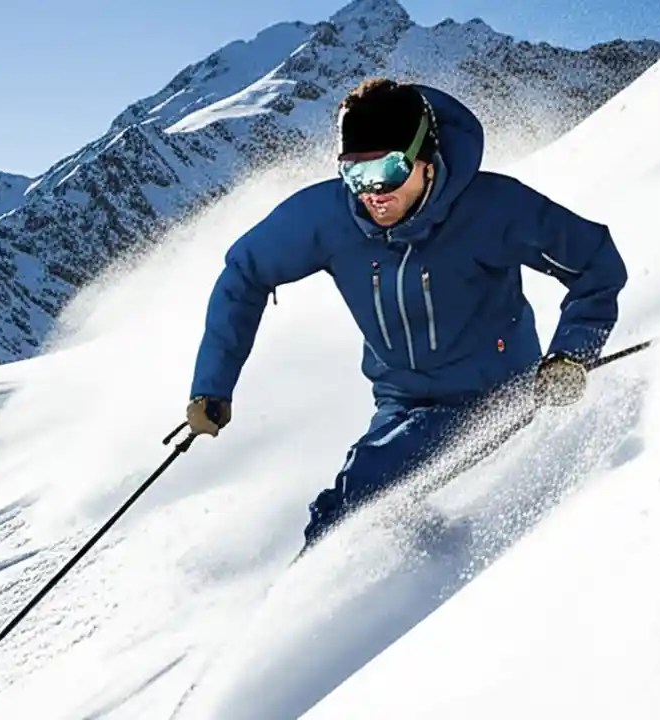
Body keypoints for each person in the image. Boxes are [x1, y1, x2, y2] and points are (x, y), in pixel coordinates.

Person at [185, 78, 628, 550]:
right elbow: (244, 275)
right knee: (370, 510)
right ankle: (425, 569)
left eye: (389, 170)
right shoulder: (330, 218)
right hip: (402, 404)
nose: (373, 192)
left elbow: (596, 264)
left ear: (426, 157)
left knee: (359, 497)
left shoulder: (492, 209)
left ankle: (326, 607)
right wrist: (212, 386)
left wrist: (572, 354)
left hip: (499, 394)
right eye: (356, 174)